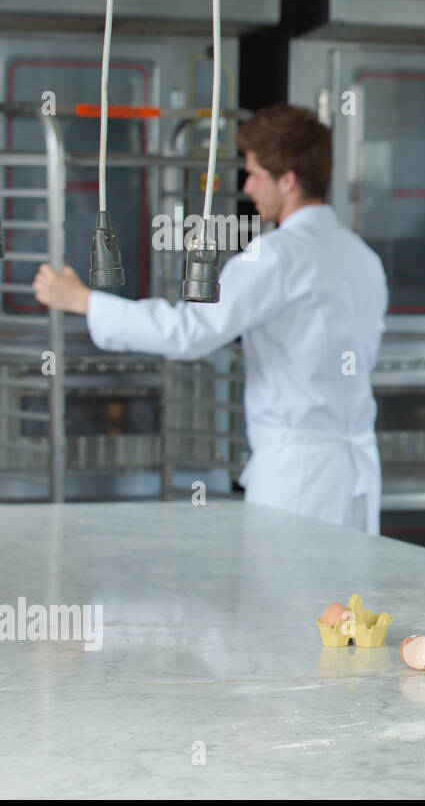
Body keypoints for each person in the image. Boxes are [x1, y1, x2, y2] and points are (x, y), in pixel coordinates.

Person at [33, 104, 388, 533]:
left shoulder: (276, 257)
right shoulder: (363, 259)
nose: (247, 185)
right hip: (357, 477)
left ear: (288, 180)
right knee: (347, 600)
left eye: (255, 173)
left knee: (286, 599)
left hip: (299, 476)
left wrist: (85, 301)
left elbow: (189, 332)